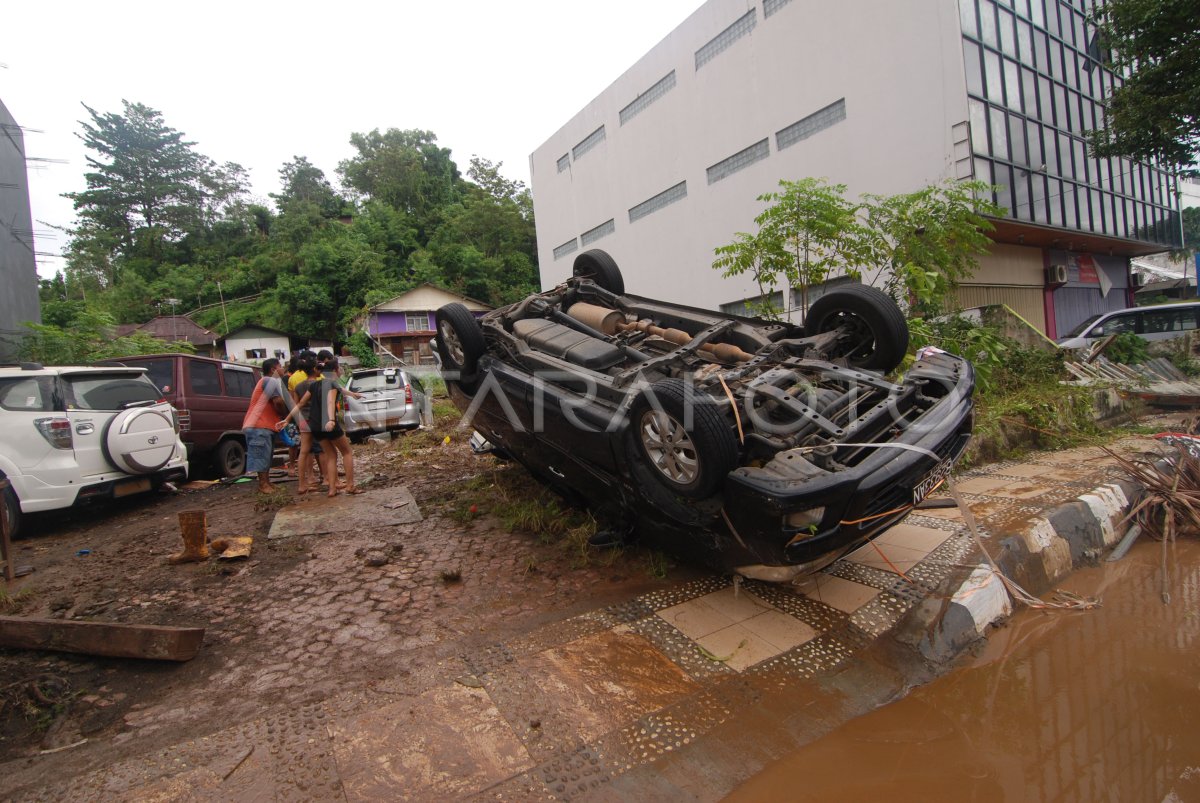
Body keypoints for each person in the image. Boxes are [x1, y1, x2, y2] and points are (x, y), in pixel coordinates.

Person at [241, 358, 289, 493]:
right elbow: (278, 402)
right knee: (261, 455)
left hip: (263, 425)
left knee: (266, 455)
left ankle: (267, 482)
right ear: (273, 369)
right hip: (258, 425)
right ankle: (263, 484)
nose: (282, 369)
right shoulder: (270, 380)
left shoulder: (268, 381)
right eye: (280, 366)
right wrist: (285, 414)